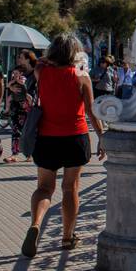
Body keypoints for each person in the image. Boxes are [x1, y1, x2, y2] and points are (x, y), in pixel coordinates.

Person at [22, 35, 106, 257]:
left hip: (47, 139)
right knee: (70, 188)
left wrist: (49, 58)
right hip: (75, 138)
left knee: (44, 188)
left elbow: (38, 61)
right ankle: (67, 237)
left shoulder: (42, 72)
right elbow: (91, 110)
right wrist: (101, 136)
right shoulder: (81, 76)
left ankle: (36, 225)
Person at [3, 50, 38, 164]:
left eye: (21, 57)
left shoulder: (35, 73)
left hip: (28, 105)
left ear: (28, 59)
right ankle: (14, 154)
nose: (19, 59)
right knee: (15, 129)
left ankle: (30, 154)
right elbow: (11, 85)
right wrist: (11, 88)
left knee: (28, 131)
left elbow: (37, 89)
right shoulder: (20, 71)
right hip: (16, 104)